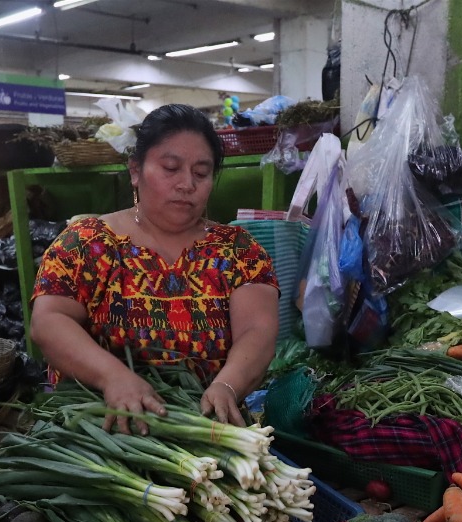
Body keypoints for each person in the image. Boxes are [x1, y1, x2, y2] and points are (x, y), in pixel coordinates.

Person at [30, 104, 280, 434]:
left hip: (208, 431)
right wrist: (113, 376)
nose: (187, 184)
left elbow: (257, 331)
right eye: (170, 168)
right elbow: (49, 322)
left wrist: (227, 387)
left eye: (201, 173)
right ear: (135, 171)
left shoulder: (238, 250)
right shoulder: (89, 242)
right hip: (105, 432)